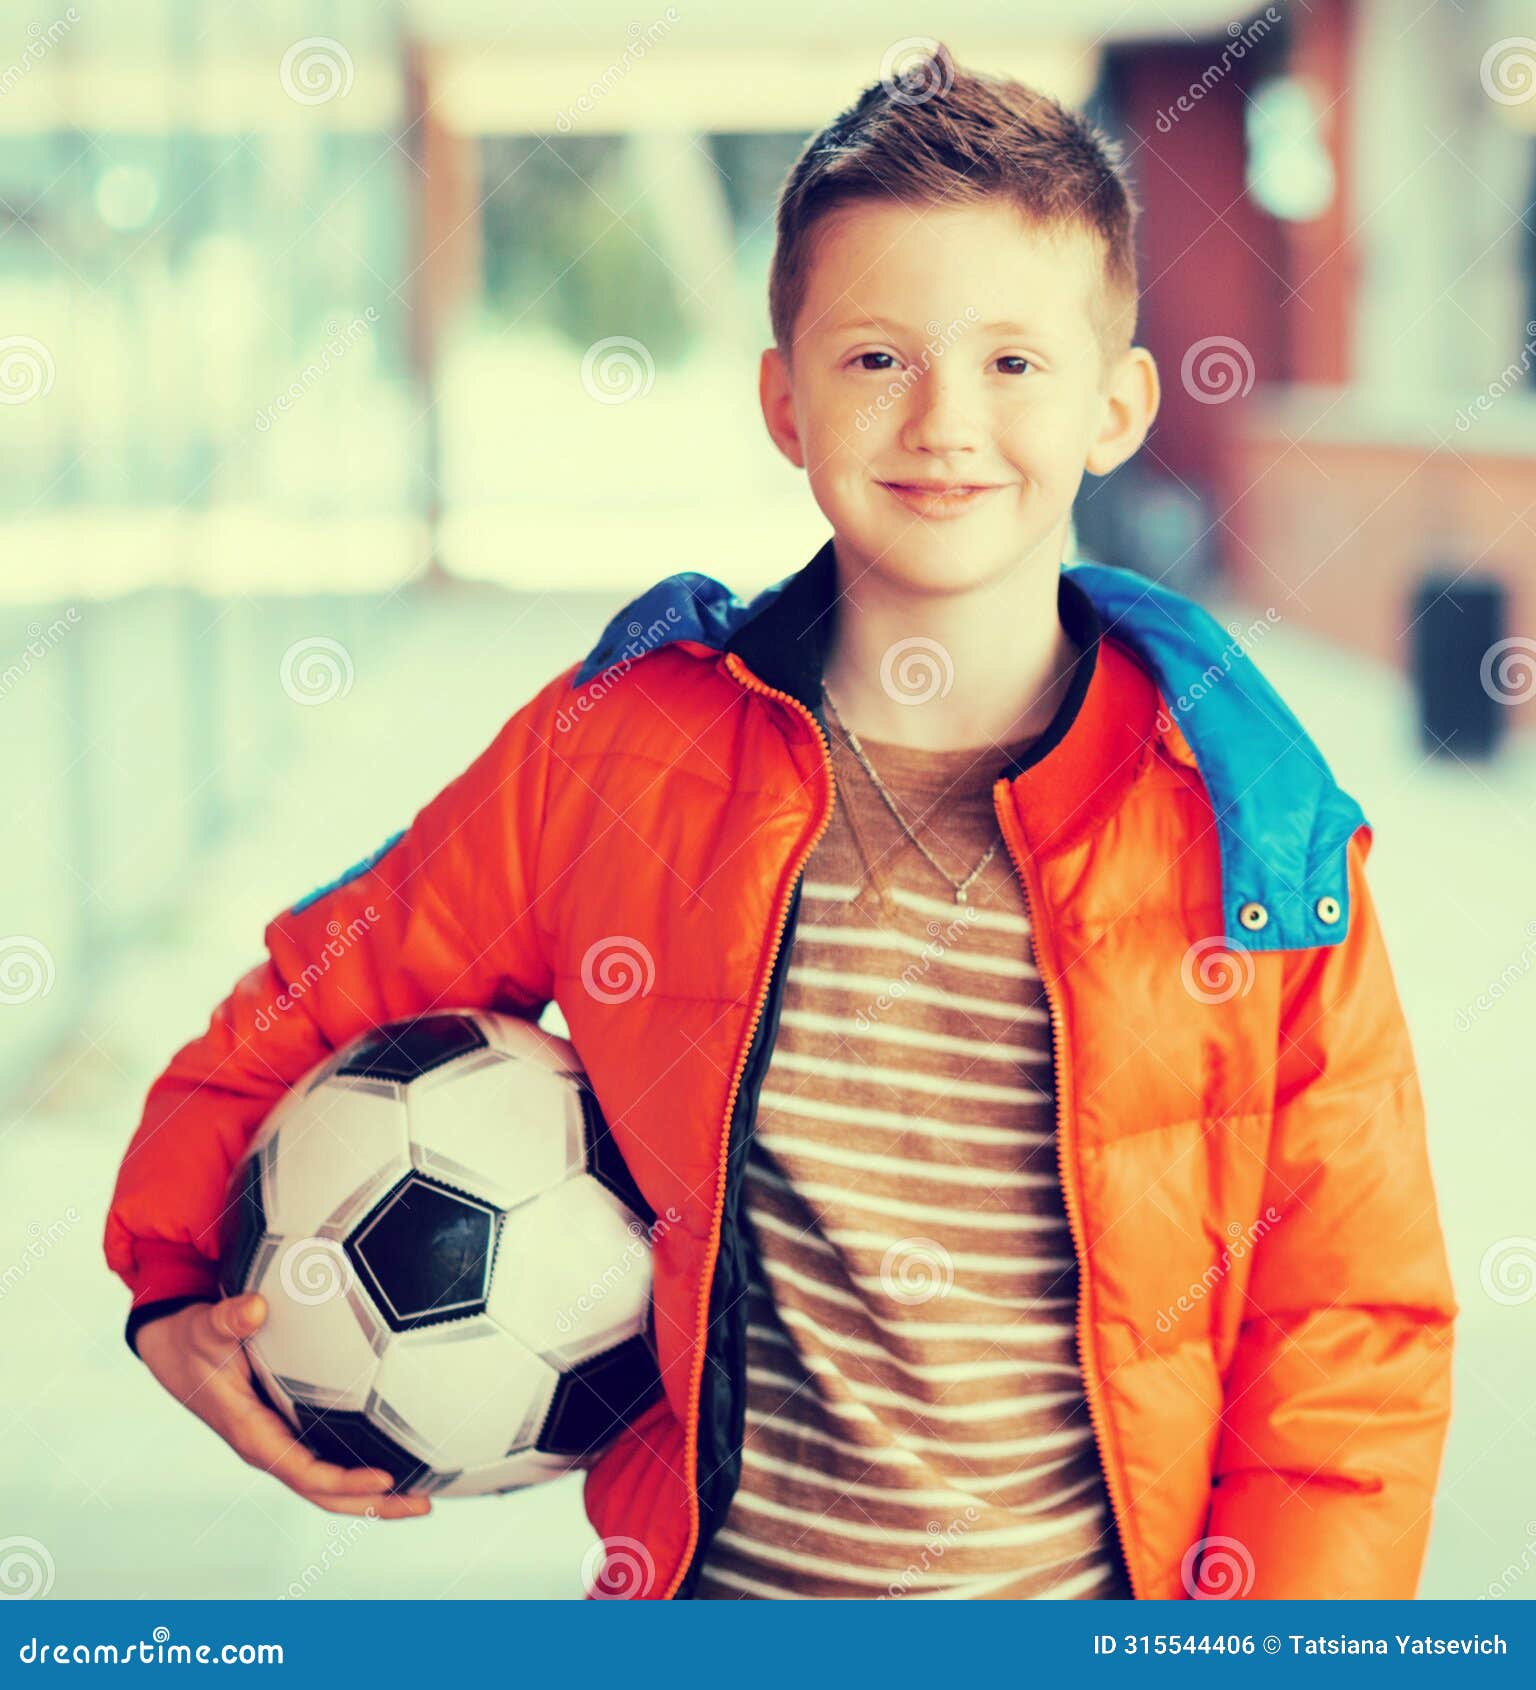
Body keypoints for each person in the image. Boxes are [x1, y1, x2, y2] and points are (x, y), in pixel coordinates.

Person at [105, 43, 1457, 1599]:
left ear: (1117, 404)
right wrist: (168, 1289)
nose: (947, 419)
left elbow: (1348, 1330)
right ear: (781, 397)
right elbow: (290, 1009)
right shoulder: (617, 755)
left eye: (1016, 362)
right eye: (878, 357)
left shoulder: (1254, 834)